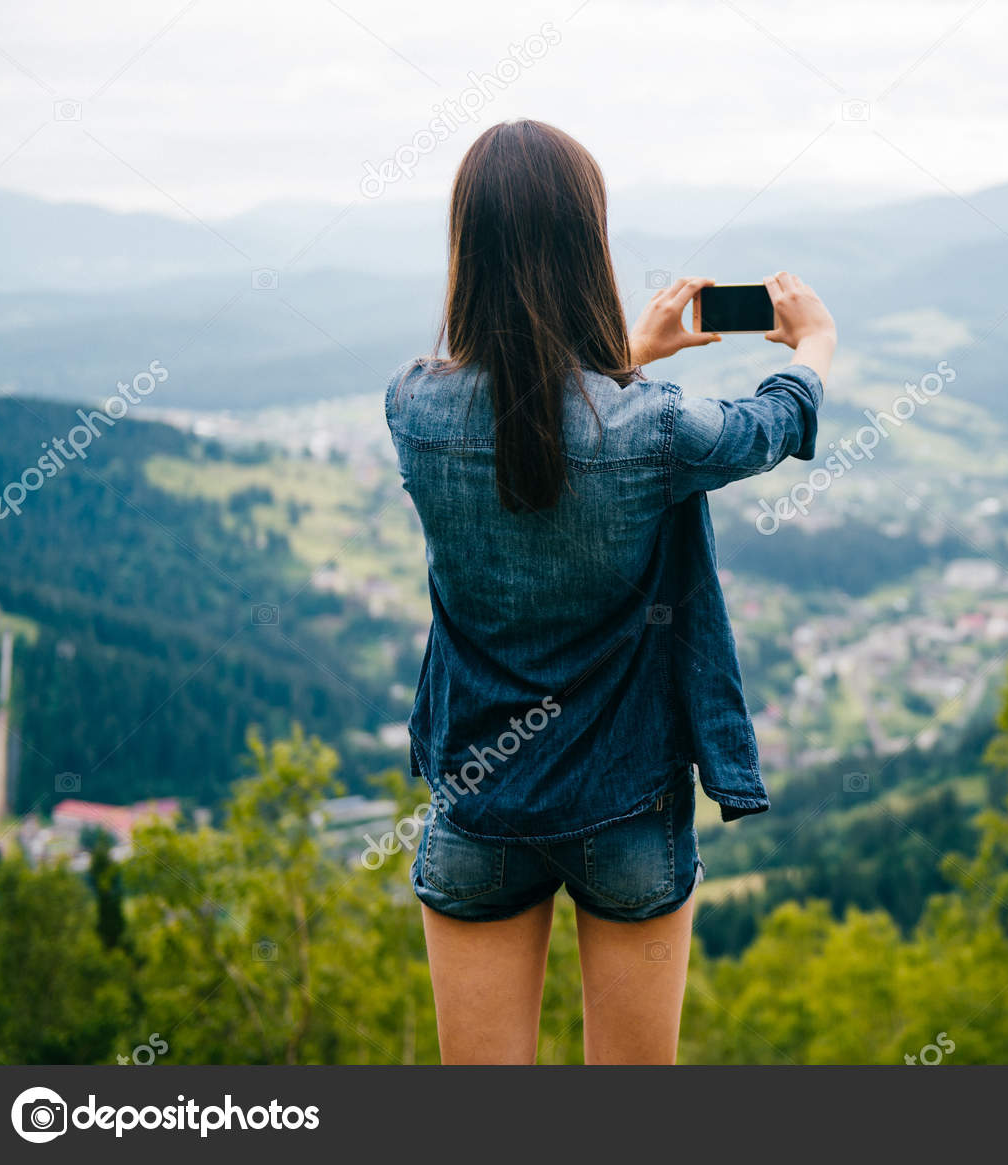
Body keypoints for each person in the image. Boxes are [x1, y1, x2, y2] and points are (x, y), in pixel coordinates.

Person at [385, 119, 837, 1064]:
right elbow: (769, 426)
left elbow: (532, 422)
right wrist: (813, 346)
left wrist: (635, 354)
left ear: (467, 248)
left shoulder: (413, 408)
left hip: (478, 808)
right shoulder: (653, 428)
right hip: (627, 814)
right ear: (588, 245)